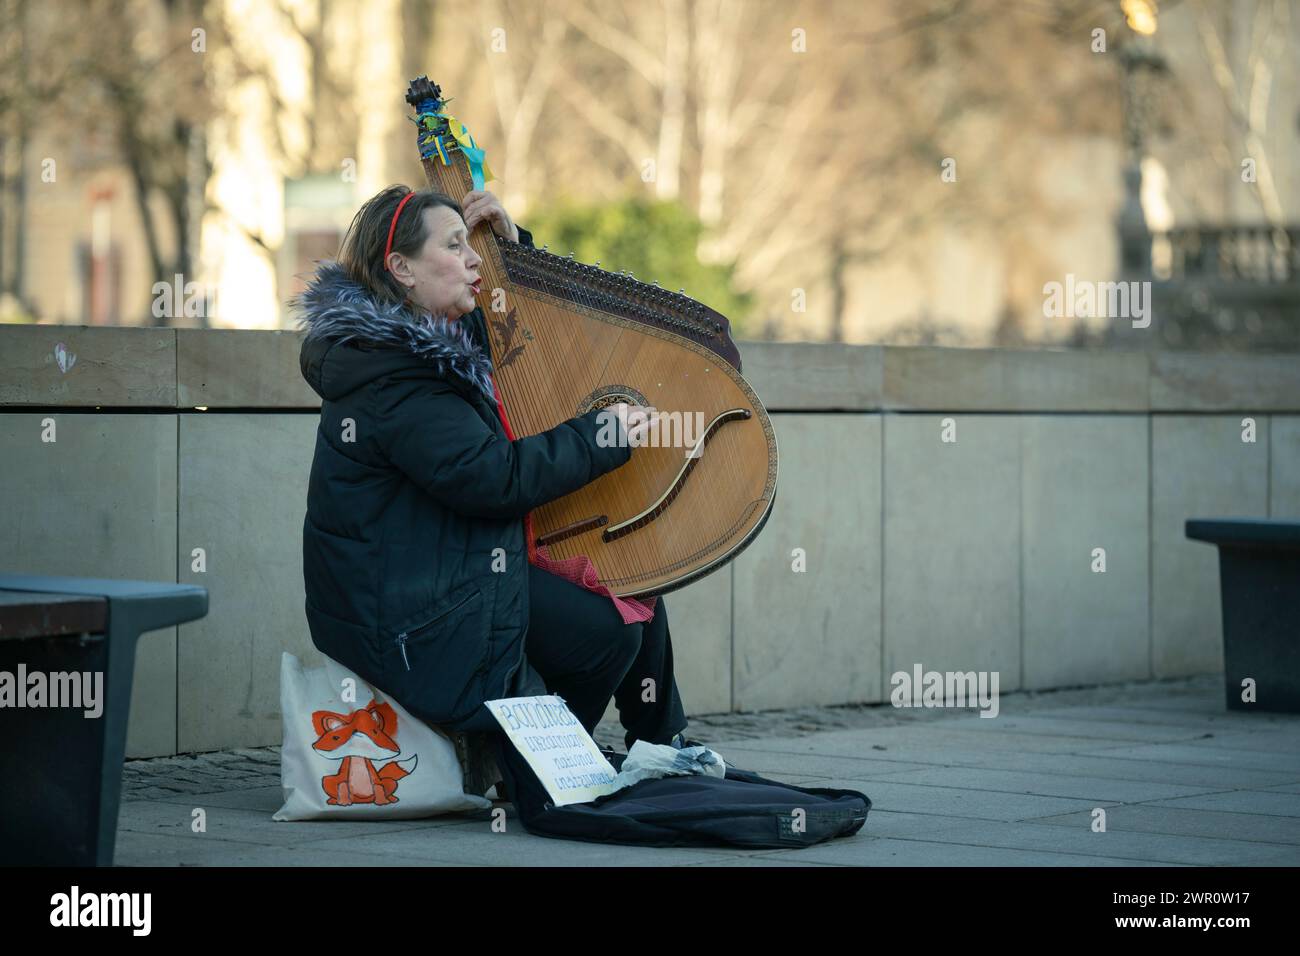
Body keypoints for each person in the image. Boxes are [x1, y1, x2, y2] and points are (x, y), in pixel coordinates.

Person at [292, 185, 699, 791]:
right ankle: (530, 760)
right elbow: (493, 478)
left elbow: (523, 340)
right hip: (410, 610)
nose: (472, 259)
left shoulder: (427, 343)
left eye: (470, 244)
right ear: (401, 268)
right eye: (455, 246)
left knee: (633, 578)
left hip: (451, 570)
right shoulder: (393, 370)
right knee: (605, 633)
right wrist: (600, 437)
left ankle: (662, 747)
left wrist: (513, 249)